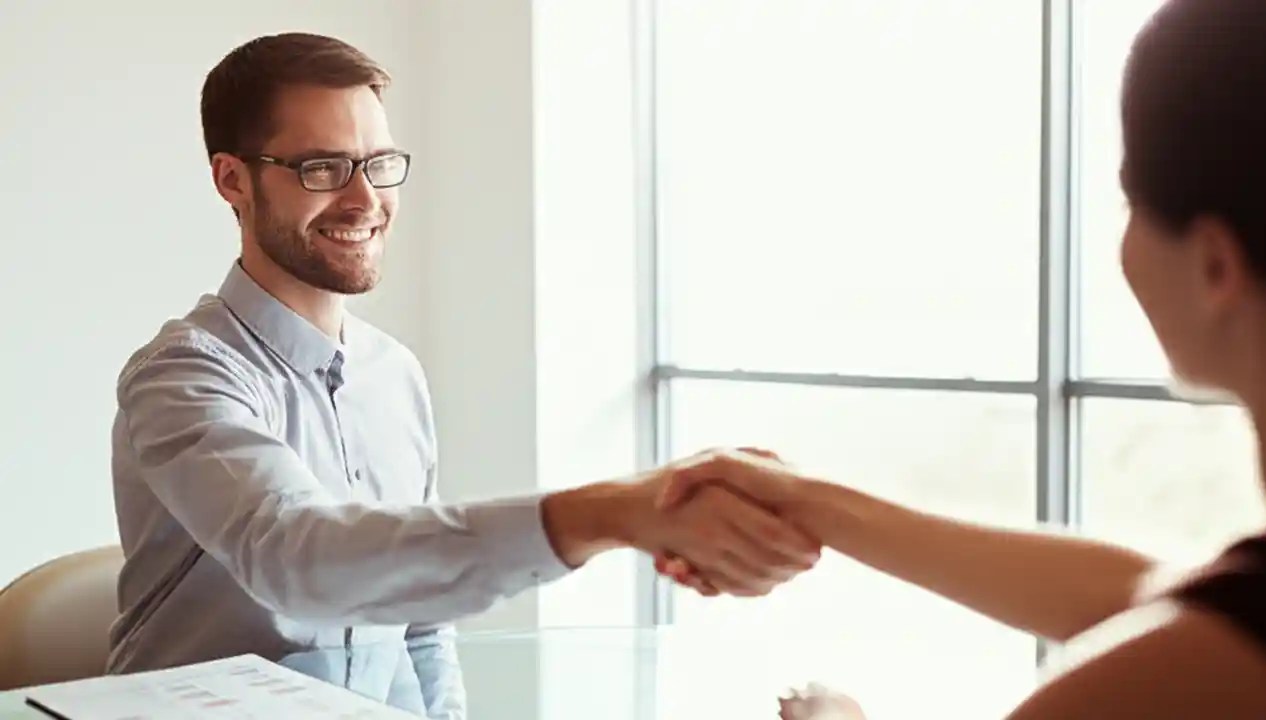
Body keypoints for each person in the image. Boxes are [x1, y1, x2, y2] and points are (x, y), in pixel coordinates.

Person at [106, 32, 819, 718]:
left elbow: (419, 623)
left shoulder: (393, 374)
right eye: (321, 169)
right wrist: (612, 511)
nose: (364, 200)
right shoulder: (183, 376)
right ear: (233, 180)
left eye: (378, 163)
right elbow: (299, 558)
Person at [659, 0, 1266, 716]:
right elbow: (1155, 592)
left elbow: (1190, 623)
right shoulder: (1237, 619)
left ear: (1214, 265)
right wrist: (813, 503)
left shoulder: (1159, 680)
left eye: (1127, 204)